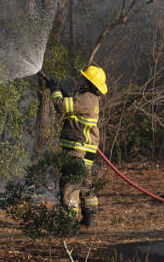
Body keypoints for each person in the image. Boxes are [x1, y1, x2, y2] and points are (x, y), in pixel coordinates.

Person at [41, 64, 107, 227]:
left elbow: (61, 106)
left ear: (87, 82)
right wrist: (56, 88)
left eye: (82, 77)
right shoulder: (90, 98)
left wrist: (55, 91)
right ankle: (89, 218)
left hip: (77, 149)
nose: (79, 78)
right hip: (87, 150)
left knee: (70, 183)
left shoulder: (85, 98)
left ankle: (68, 222)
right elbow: (72, 107)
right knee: (85, 184)